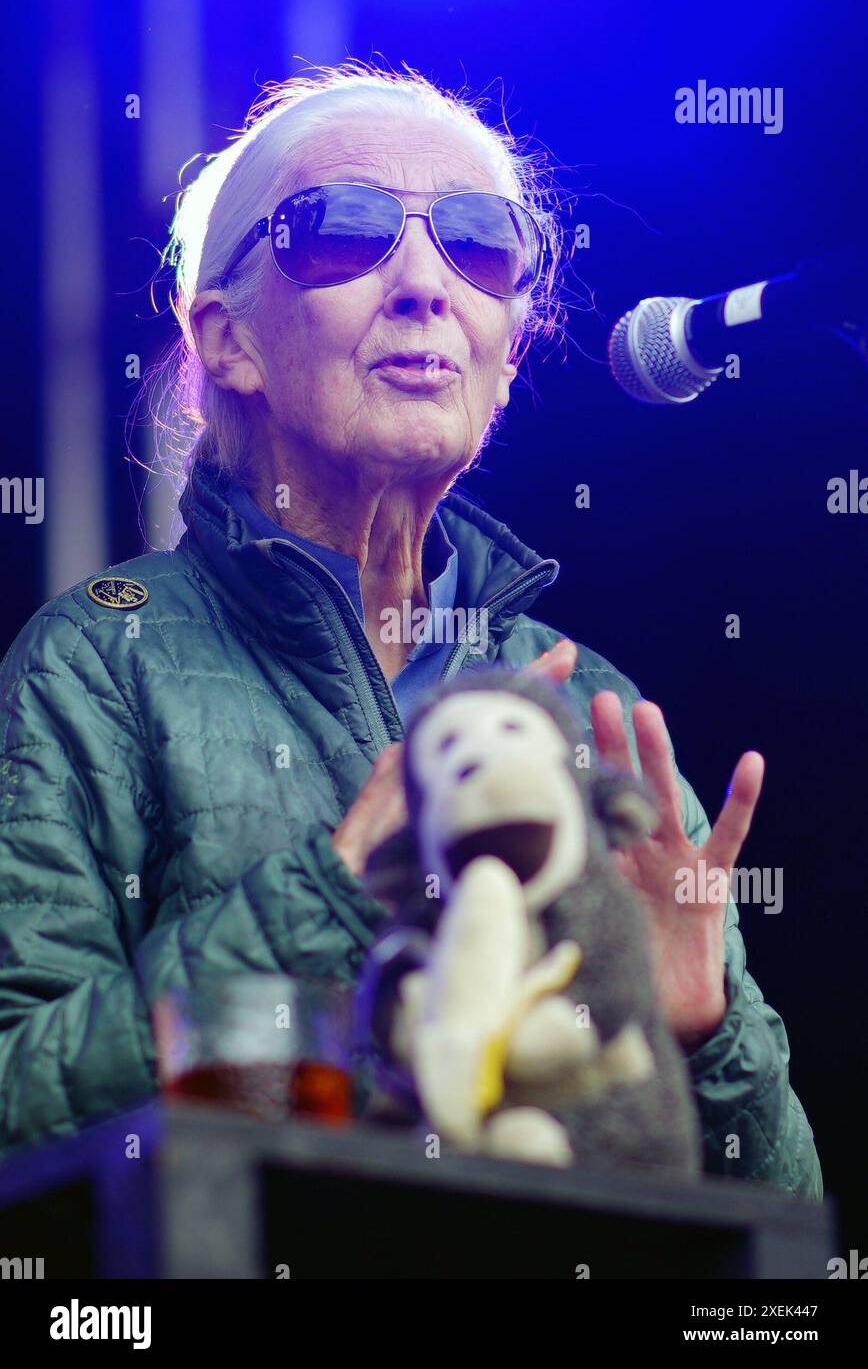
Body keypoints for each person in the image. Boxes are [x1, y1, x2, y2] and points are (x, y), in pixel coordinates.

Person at [0, 63, 821, 1199]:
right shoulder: (97, 663)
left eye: (481, 244)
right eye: (344, 228)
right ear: (226, 340)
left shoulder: (589, 703)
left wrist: (704, 1033)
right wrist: (328, 900)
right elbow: (18, 1112)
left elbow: (776, 1264)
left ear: (508, 351)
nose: (426, 282)